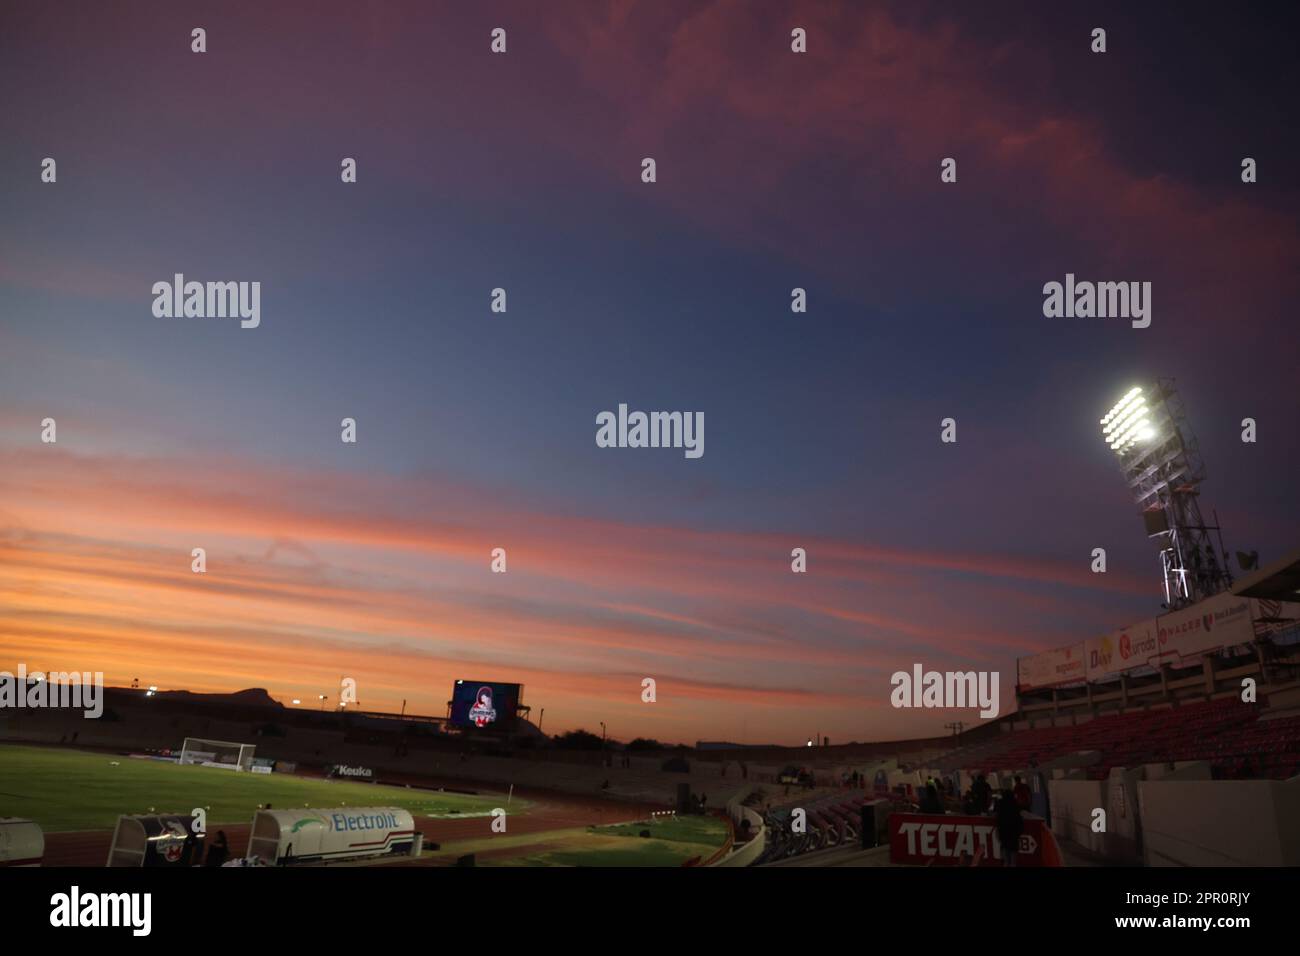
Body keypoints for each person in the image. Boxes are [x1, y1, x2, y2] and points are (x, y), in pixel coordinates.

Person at [995, 792, 1024, 867]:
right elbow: (1019, 821)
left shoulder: (1001, 806)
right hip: (1013, 836)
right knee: (1013, 860)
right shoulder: (1015, 806)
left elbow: (998, 821)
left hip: (1004, 835)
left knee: (1006, 860)